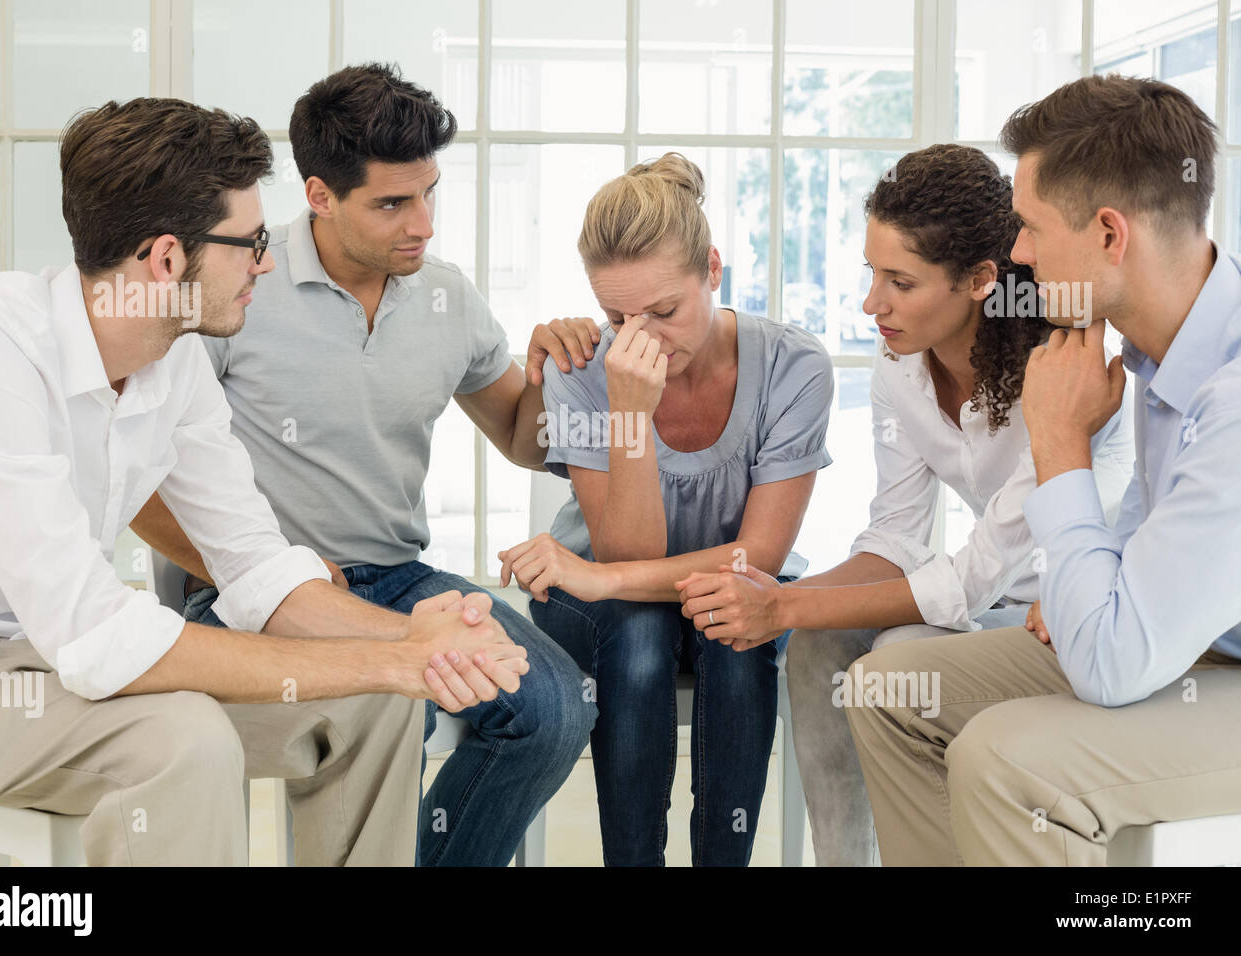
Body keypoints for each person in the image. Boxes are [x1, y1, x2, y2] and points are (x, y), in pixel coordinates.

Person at [0, 97, 526, 866]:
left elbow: (254, 566)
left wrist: (415, 641)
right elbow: (90, 633)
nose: (268, 261)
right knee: (184, 738)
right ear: (166, 259)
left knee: (382, 704)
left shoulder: (173, 357)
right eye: (250, 243)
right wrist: (387, 652)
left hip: (62, 667)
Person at [129, 63, 596, 867]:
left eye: (429, 194)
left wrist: (555, 370)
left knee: (553, 709)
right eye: (391, 204)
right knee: (391, 711)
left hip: (398, 573)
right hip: (245, 588)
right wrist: (277, 576)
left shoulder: (444, 296)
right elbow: (138, 487)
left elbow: (523, 441)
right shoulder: (236, 291)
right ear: (319, 196)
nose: (422, 224)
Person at [675, 143, 1134, 865]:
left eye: (901, 281)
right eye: (871, 273)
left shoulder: (1061, 376)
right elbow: (894, 534)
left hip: (1072, 616)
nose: (871, 303)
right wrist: (766, 594)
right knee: (820, 648)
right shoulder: (900, 367)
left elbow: (968, 579)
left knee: (887, 656)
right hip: (989, 608)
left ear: (981, 280)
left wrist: (785, 608)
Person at [844, 74, 1241, 865]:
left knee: (1006, 759)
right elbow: (1149, 530)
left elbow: (1111, 663)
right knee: (885, 688)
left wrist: (1060, 442)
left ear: (1107, 234)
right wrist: (1095, 582)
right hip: (1190, 641)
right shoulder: (1156, 350)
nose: (1018, 252)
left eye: (1029, 227)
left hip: (1206, 662)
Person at [498, 152, 835, 866]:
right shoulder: (587, 369)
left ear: (713, 268)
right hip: (596, 596)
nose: (639, 337)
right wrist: (629, 414)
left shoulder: (793, 367)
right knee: (644, 637)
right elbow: (626, 553)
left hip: (659, 584)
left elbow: (758, 560)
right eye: (616, 314)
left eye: (664, 310)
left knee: (736, 624)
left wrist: (608, 580)